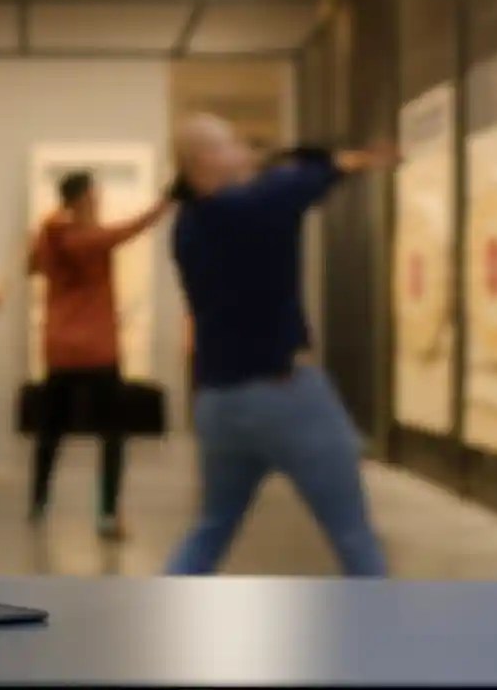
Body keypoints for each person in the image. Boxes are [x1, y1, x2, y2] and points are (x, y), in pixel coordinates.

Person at [166, 113, 396, 576]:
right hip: (286, 396)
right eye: (231, 144)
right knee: (353, 535)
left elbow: (286, 180)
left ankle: (153, 622)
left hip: (218, 404)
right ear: (204, 159)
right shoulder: (255, 206)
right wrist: (353, 160)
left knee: (211, 527)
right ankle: (391, 638)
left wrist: (282, 162)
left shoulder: (187, 224)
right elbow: (306, 180)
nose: (243, 151)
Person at [27, 170, 174, 539]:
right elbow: (129, 229)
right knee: (112, 433)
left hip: (59, 349)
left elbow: (32, 265)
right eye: (94, 195)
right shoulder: (85, 239)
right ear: (82, 199)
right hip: (96, 350)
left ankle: (38, 503)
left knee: (51, 431)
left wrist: (47, 225)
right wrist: (167, 200)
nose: (99, 201)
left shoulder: (49, 236)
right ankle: (107, 512)